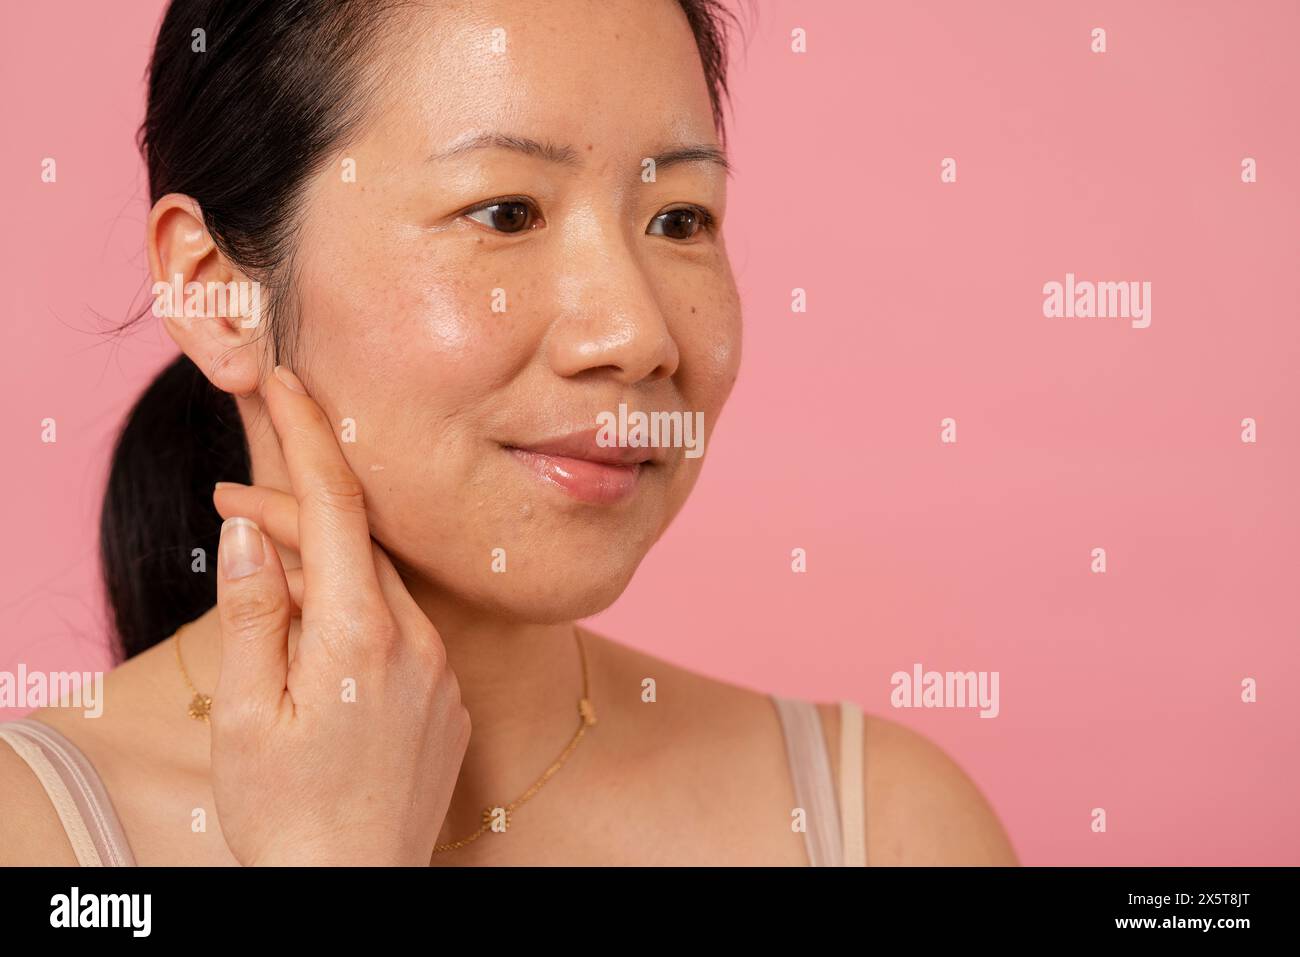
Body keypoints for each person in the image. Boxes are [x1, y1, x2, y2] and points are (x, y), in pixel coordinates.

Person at [0, 0, 1017, 867]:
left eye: (678, 220)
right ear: (220, 297)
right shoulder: (38, 833)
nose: (636, 334)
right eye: (505, 212)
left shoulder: (880, 826)